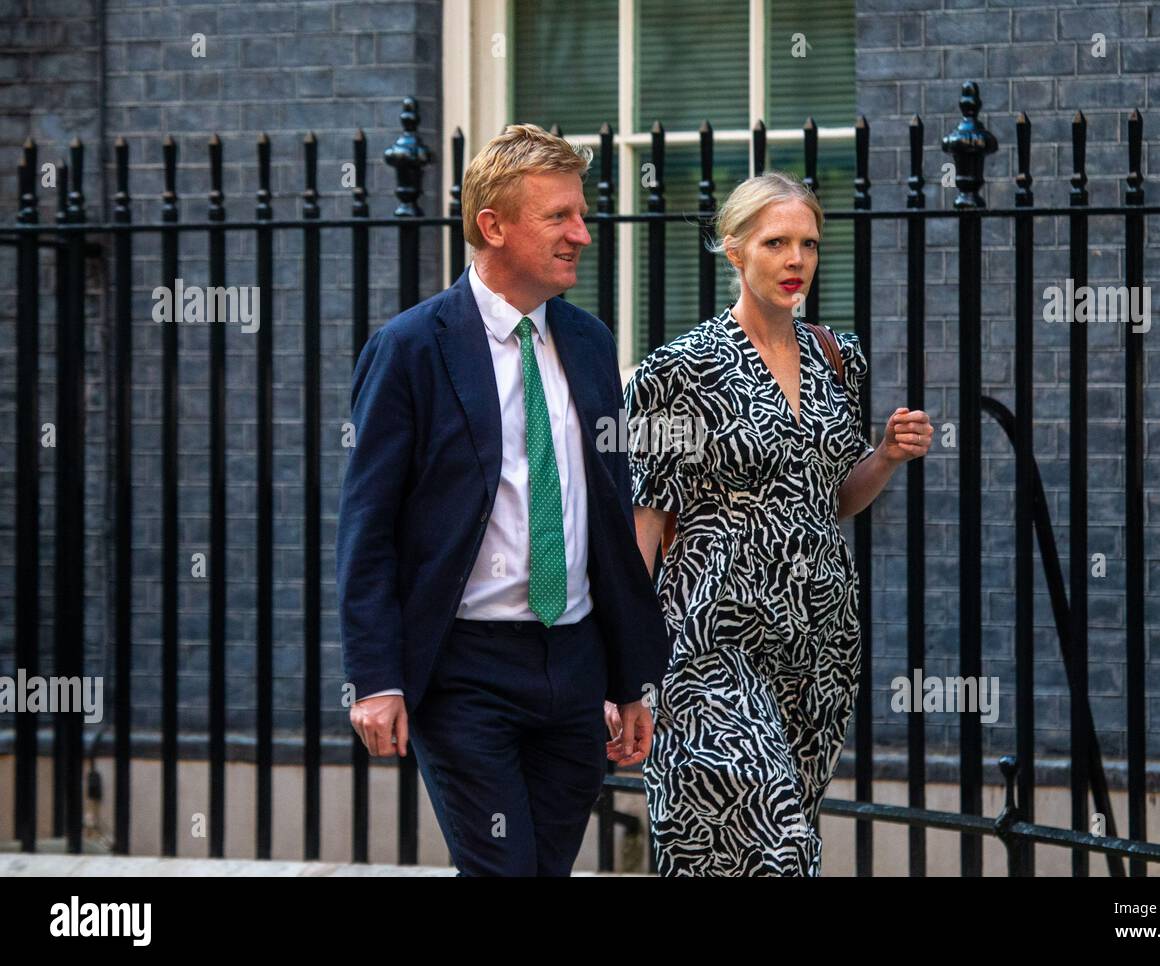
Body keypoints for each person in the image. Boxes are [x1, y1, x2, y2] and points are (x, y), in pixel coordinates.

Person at [337, 123, 670, 876]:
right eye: (559, 217)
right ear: (492, 225)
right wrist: (377, 676)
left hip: (575, 663)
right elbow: (368, 525)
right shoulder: (413, 348)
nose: (582, 235)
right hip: (465, 670)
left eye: (580, 215)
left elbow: (609, 517)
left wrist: (629, 680)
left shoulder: (587, 342)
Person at [616, 171, 934, 875]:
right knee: (780, 842)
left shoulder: (834, 358)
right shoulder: (680, 370)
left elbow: (832, 501)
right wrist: (624, 667)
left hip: (820, 641)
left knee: (735, 853)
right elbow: (644, 523)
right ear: (734, 249)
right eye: (776, 242)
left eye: (810, 244)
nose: (797, 261)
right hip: (709, 642)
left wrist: (884, 454)